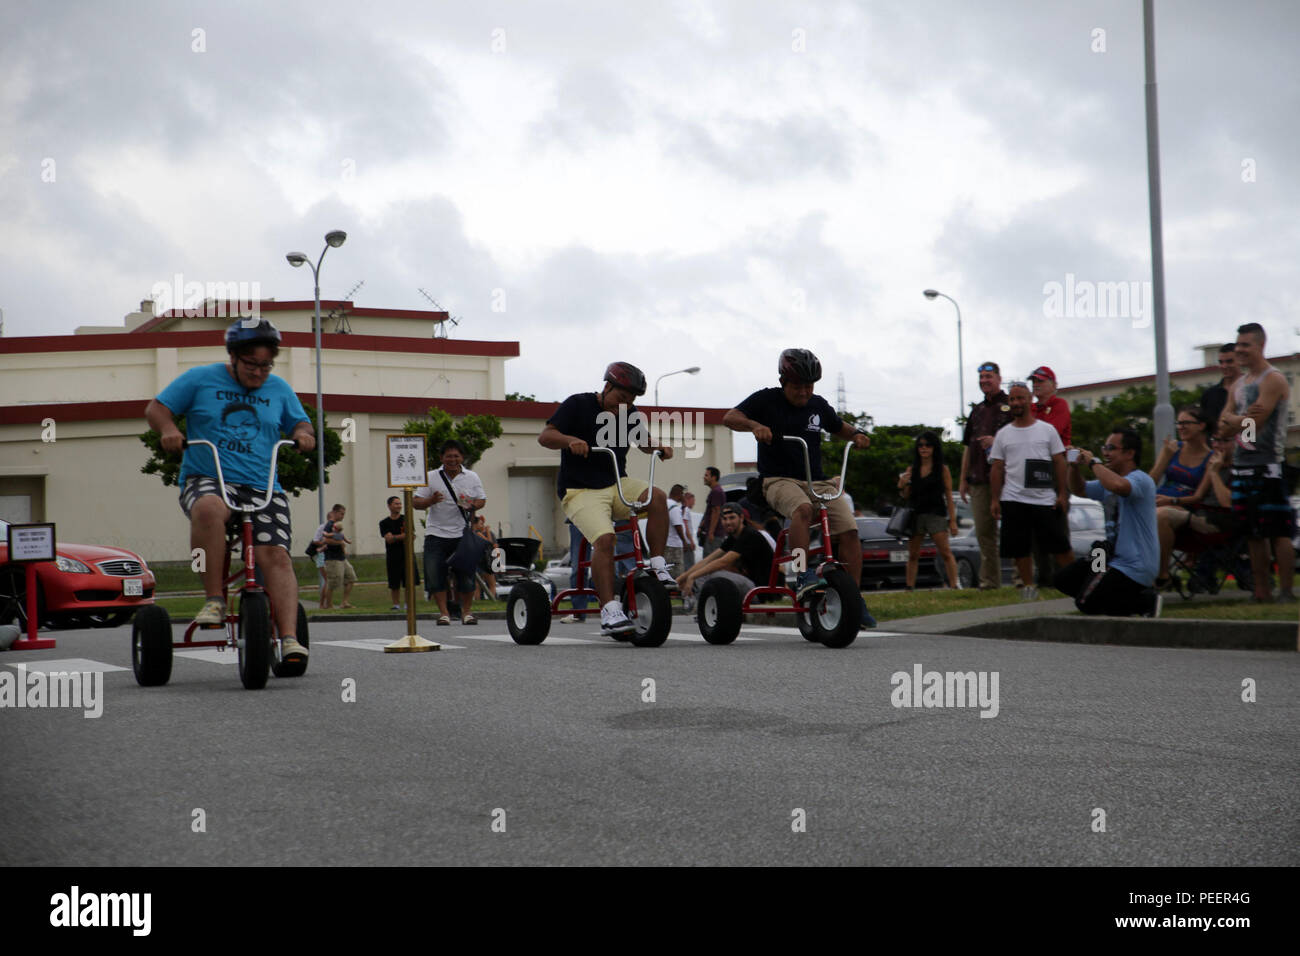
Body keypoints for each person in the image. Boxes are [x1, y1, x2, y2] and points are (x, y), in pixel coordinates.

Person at [144, 318, 314, 662]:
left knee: (275, 555)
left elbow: (299, 421)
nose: (259, 373)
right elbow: (157, 408)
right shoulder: (200, 378)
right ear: (233, 357)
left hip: (262, 485)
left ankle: (290, 638)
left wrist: (304, 434)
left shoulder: (278, 388)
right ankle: (214, 600)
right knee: (207, 509)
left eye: (266, 365)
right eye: (252, 364)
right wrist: (168, 430)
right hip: (208, 477)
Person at [722, 348, 876, 628]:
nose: (804, 392)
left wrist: (857, 434)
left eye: (809, 386)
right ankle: (803, 574)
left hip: (816, 481)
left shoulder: (817, 405)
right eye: (797, 386)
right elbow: (730, 418)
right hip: (778, 480)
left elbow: (839, 426)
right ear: (783, 381)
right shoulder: (766, 399)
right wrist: (755, 425)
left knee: (850, 530)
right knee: (802, 510)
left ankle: (853, 598)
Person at [538, 361, 677, 637]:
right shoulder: (577, 404)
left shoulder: (629, 413)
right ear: (607, 387)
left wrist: (658, 447)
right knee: (606, 539)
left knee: (657, 498)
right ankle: (610, 610)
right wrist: (570, 441)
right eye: (620, 398)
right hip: (580, 491)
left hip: (616, 483)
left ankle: (658, 564)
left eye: (630, 401)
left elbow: (643, 441)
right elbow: (546, 436)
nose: (623, 405)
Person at [1218, 322, 1295, 602]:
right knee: (1252, 533)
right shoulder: (1238, 384)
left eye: (1245, 345)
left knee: (1277, 531)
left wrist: (1237, 421)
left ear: (1260, 346)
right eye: (1237, 345)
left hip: (1268, 465)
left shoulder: (1272, 379)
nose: (1240, 350)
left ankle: (1286, 591)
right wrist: (1241, 420)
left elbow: (1256, 423)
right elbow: (1223, 426)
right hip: (1241, 465)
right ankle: (1261, 591)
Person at [1057, 426, 1161, 617]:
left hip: (1133, 564)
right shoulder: (1107, 482)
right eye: (1104, 448)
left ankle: (1143, 601)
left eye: (1111, 448)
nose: (1105, 452)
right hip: (1107, 555)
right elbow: (1079, 490)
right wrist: (1073, 466)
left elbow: (1118, 486)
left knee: (1086, 602)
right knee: (1064, 579)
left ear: (1130, 453)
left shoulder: (1141, 479)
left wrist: (1093, 462)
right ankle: (1119, 603)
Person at [988, 382, 1074, 601]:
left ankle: (1077, 583)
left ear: (1029, 400)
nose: (1016, 403)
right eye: (1012, 399)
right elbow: (997, 468)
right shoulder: (1003, 434)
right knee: (1020, 548)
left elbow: (1059, 461)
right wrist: (995, 499)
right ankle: (1028, 587)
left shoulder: (1046, 430)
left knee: (1060, 545)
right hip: (1013, 498)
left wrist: (1062, 494)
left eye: (1020, 398)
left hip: (1044, 499)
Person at [414, 439, 487, 625]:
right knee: (435, 574)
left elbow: (482, 500)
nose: (452, 460)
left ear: (462, 457)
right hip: (435, 534)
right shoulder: (430, 477)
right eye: (448, 456)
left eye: (456, 456)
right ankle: (444, 614)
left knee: (466, 575)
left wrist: (470, 505)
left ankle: (467, 613)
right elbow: (415, 502)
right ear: (441, 458)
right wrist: (431, 500)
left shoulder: (472, 476)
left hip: (462, 534)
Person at [959, 362, 1014, 589]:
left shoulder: (1012, 405)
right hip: (979, 480)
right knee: (984, 534)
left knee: (1012, 532)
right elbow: (967, 448)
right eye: (981, 378)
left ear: (999, 378)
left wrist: (997, 441)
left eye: (989, 377)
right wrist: (962, 480)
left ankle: (1021, 582)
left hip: (1008, 479)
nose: (984, 381)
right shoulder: (977, 410)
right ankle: (989, 582)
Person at [1149, 406, 1214, 588]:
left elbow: (1199, 496)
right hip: (1159, 500)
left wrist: (1171, 501)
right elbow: (1151, 481)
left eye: (1186, 423)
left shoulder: (1211, 457)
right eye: (1179, 423)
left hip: (1185, 508)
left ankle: (1162, 576)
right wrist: (1165, 457)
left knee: (1160, 515)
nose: (1181, 427)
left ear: (1201, 425)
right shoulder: (1174, 449)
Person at [897, 431, 960, 589]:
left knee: (945, 552)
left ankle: (954, 585)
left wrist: (952, 521)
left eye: (928, 445)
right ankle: (909, 586)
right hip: (916, 514)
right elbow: (906, 495)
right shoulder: (912, 469)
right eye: (920, 445)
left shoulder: (942, 469)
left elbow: (949, 496)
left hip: (936, 514)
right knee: (913, 554)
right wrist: (902, 484)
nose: (924, 448)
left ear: (934, 448)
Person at [676, 503, 776, 602]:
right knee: (705, 573)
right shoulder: (734, 537)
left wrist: (692, 576)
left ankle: (701, 608)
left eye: (732, 518)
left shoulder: (749, 535)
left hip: (762, 592)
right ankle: (703, 607)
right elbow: (708, 560)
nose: (728, 522)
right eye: (724, 519)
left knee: (712, 574)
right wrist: (682, 578)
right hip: (753, 587)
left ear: (741, 518)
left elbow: (722, 562)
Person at [380, 496, 419, 609]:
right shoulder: (384, 523)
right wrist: (402, 536)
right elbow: (388, 538)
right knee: (394, 582)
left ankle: (408, 604)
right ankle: (396, 604)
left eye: (400, 503)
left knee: (409, 581)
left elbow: (411, 536)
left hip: (407, 554)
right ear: (389, 506)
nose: (399, 506)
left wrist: (395, 537)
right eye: (396, 503)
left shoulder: (406, 519)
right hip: (393, 556)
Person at [316, 504, 356, 609]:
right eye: (341, 514)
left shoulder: (337, 525)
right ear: (335, 512)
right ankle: (329, 605)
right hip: (332, 558)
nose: (343, 516)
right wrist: (341, 543)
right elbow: (326, 540)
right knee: (333, 582)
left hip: (342, 557)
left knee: (351, 577)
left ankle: (344, 602)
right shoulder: (329, 525)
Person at [1199, 342, 1240, 437]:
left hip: (1244, 446)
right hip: (1216, 448)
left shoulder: (1250, 389)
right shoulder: (1209, 395)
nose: (1224, 366)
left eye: (1229, 361)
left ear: (1239, 360)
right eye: (1221, 362)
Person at [664, 484, 689, 578]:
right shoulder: (674, 507)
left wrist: (683, 507)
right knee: (677, 575)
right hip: (673, 546)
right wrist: (684, 541)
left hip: (664, 544)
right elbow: (677, 525)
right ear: (680, 494)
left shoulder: (664, 503)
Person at [700, 467, 726, 554]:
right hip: (713, 534)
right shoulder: (715, 491)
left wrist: (711, 533)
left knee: (709, 562)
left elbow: (716, 512)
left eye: (706, 475)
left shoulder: (716, 492)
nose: (704, 477)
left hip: (715, 535)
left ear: (714, 477)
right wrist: (702, 526)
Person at [472, 515, 497, 601]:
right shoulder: (476, 533)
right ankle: (492, 600)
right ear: (475, 524)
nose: (483, 525)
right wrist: (488, 531)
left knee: (478, 584)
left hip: (480, 560)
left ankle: (479, 601)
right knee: (490, 584)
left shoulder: (472, 533)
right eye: (481, 523)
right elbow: (489, 543)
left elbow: (494, 545)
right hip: (484, 561)